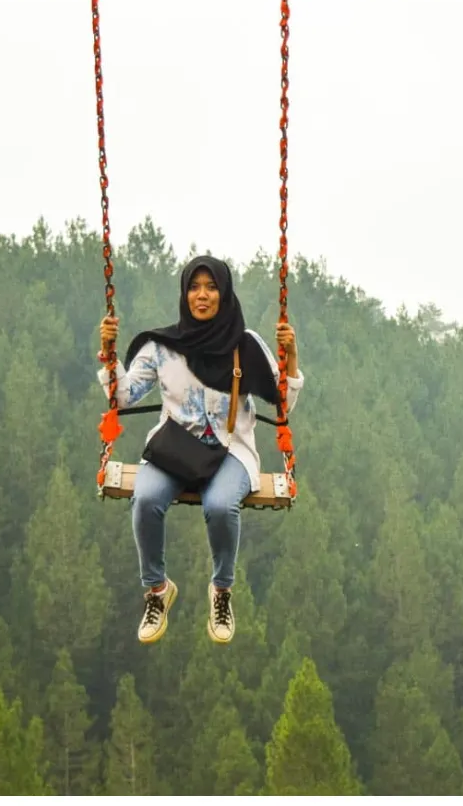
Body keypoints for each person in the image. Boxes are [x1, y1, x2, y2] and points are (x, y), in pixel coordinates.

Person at [97, 255, 303, 645]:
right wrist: (108, 352)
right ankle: (157, 590)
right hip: (177, 450)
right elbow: (121, 396)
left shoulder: (245, 344)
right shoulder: (164, 347)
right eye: (194, 287)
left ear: (224, 295)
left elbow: (282, 403)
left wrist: (290, 357)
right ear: (184, 293)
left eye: (211, 288)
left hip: (232, 451)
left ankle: (221, 591)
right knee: (144, 499)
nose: (202, 296)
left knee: (221, 505)